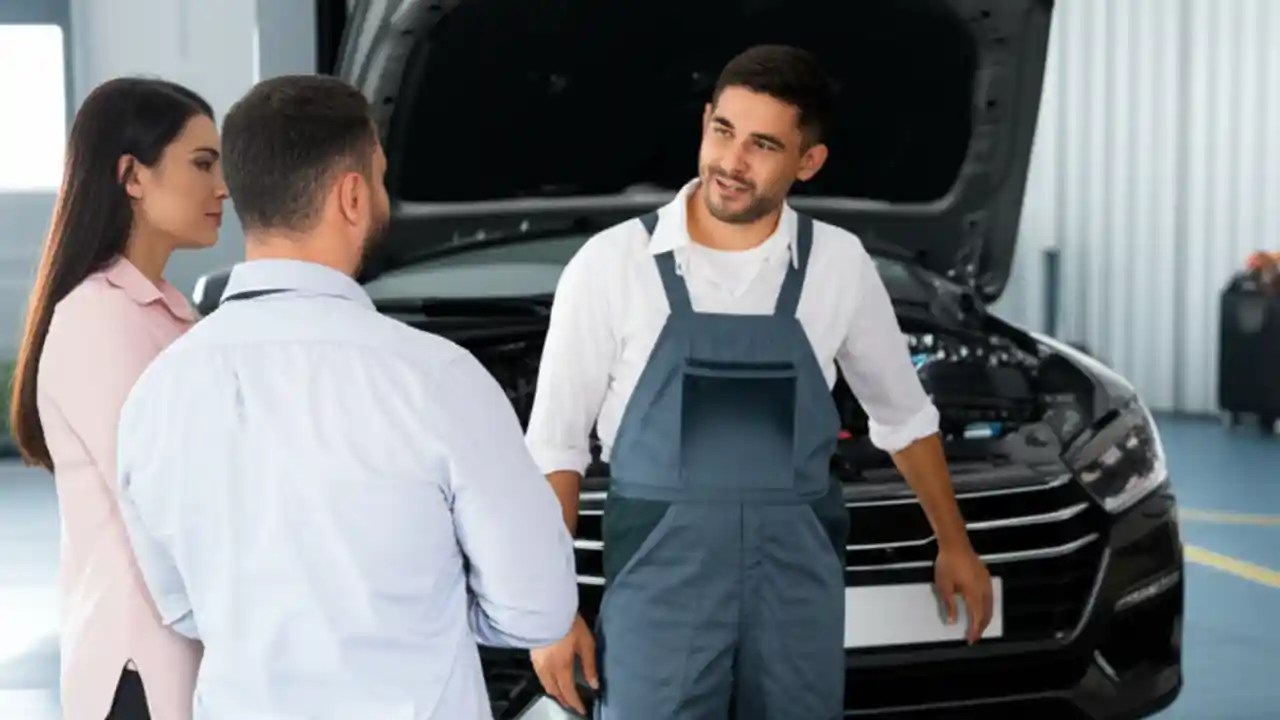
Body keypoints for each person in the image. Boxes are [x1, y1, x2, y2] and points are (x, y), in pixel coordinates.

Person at [524, 45, 995, 719]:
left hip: (796, 580)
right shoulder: (611, 266)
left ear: (809, 162)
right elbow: (556, 449)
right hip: (662, 578)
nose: (731, 163)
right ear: (707, 121)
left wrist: (954, 542)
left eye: (763, 145)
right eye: (723, 132)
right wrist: (551, 609)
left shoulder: (838, 265)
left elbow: (903, 416)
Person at [113, 74, 578, 719]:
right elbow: (536, 609)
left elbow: (185, 607)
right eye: (381, 179)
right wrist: (435, 604)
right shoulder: (438, 379)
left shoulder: (156, 393)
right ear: (353, 196)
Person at [8, 77, 225, 720]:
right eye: (203, 164)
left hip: (187, 662)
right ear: (132, 175)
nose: (223, 188)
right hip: (140, 673)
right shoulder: (100, 319)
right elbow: (163, 497)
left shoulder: (170, 312)